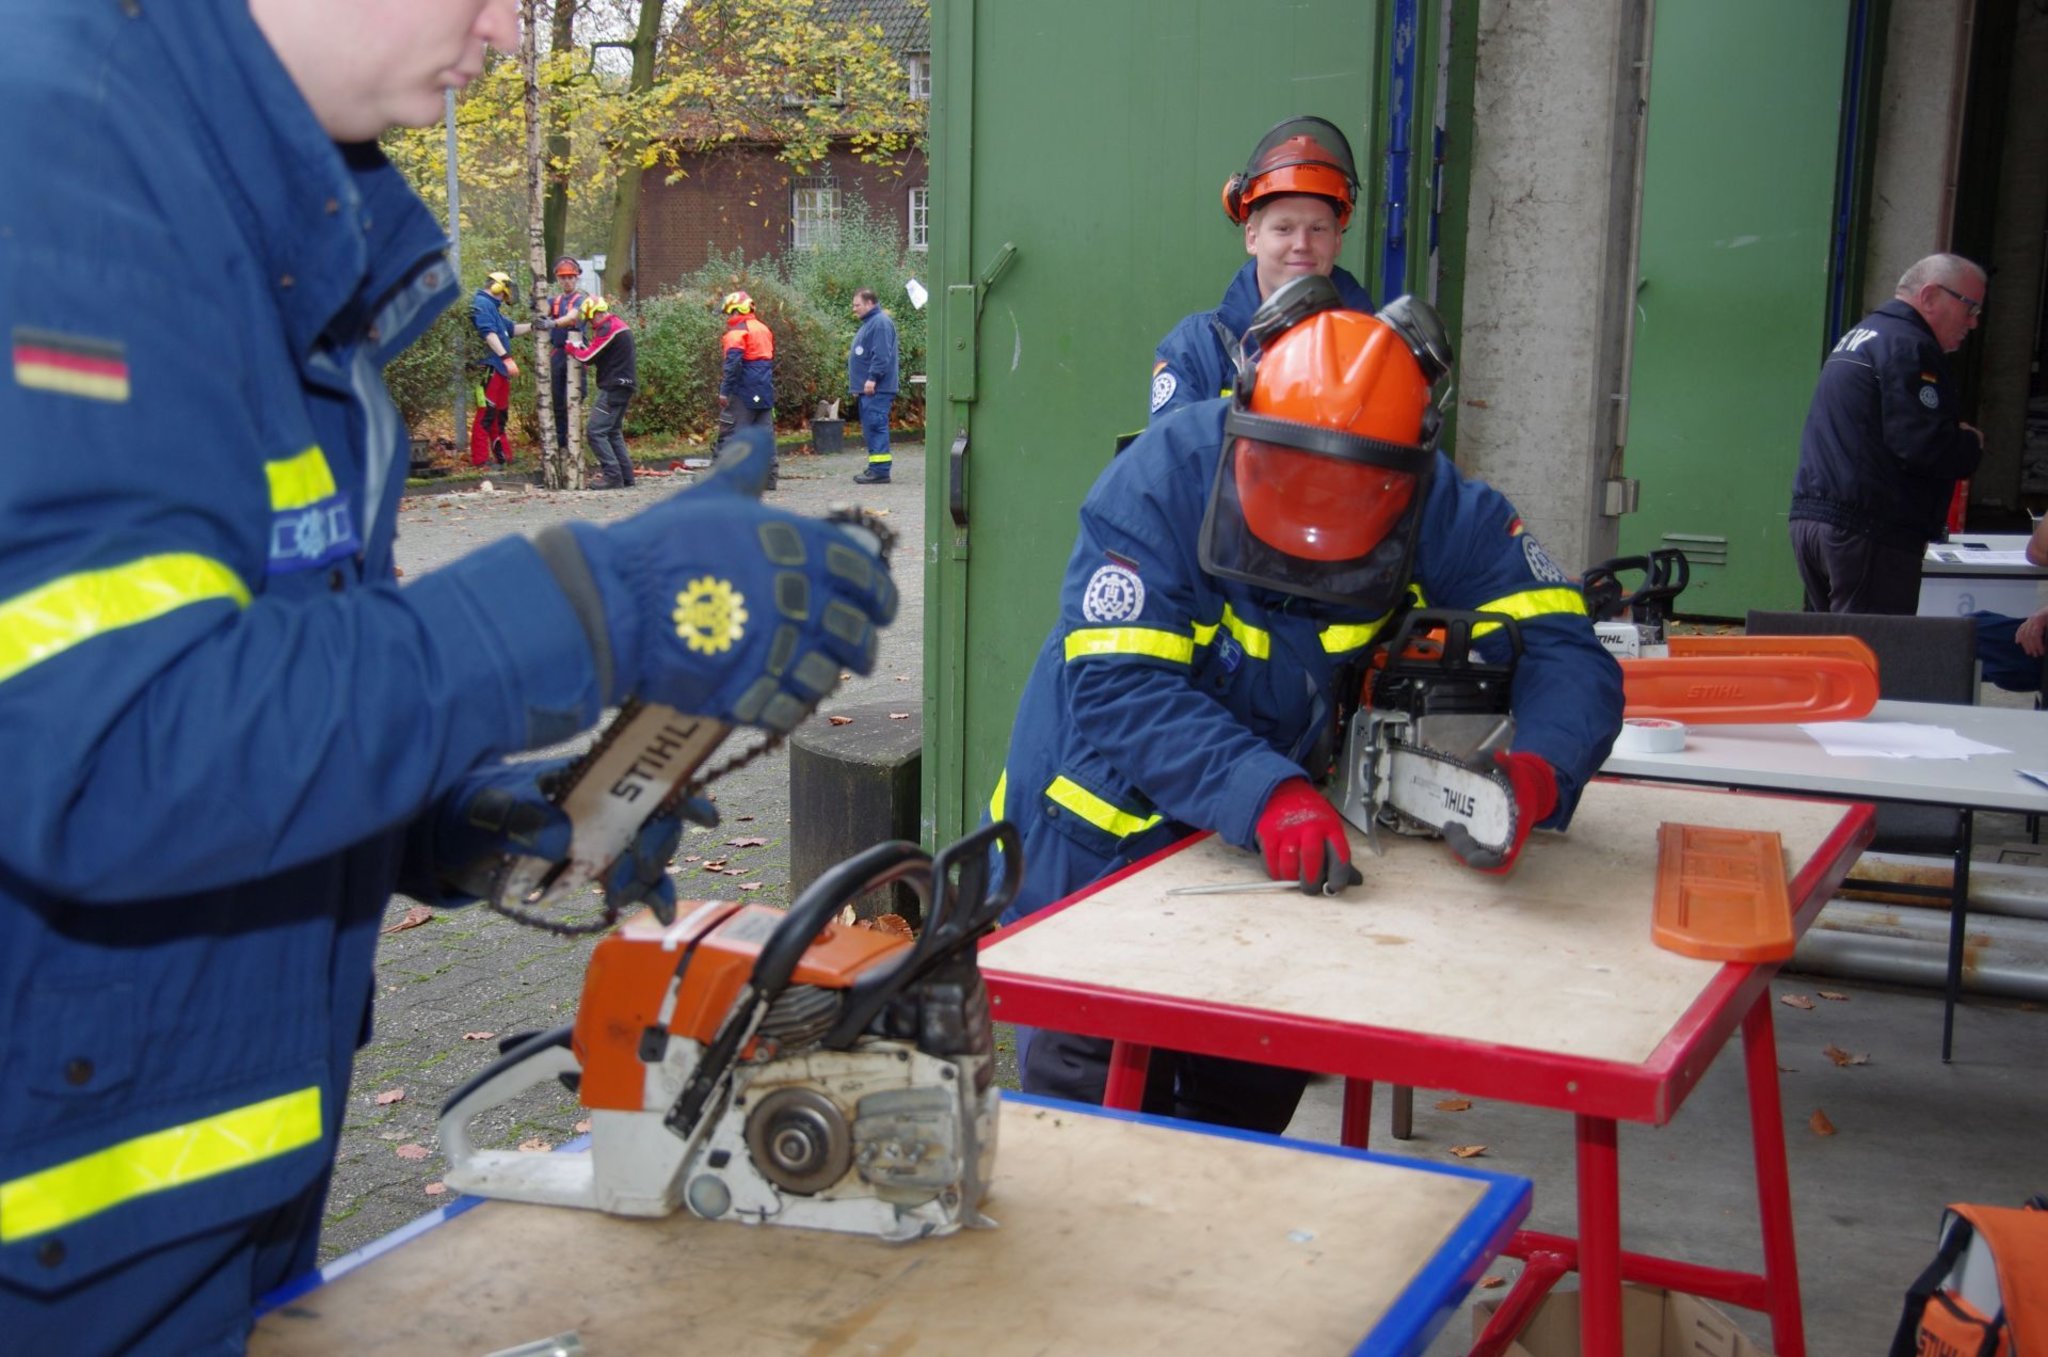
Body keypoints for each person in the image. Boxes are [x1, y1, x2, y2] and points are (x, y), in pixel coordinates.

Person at [0, 3, 901, 1351]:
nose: (508, 30)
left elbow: (232, 668)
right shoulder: (54, 164)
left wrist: (445, 817)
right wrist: (593, 603)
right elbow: (106, 751)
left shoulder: (258, 192)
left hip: (173, 1201)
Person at [989, 276, 1624, 1135]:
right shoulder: (1161, 478)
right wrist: (1266, 791)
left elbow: (1562, 642)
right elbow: (1121, 688)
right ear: (1246, 411)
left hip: (1259, 870)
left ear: (1405, 472)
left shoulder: (1437, 499)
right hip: (1095, 847)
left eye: (1348, 498)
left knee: (1245, 1110)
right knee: (1085, 1132)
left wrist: (1542, 770)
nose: (1314, 513)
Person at [1789, 253, 1989, 614]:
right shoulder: (1910, 346)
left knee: (1841, 656)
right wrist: (1969, 443)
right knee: (1874, 657)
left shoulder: (1862, 336)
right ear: (1930, 296)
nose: (1973, 323)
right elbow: (1922, 444)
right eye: (1970, 308)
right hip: (1868, 528)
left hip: (1818, 519)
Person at [1147, 115, 1376, 424]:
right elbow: (1174, 462)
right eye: (1283, 228)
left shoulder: (1379, 355)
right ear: (1252, 237)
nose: (1302, 244)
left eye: (1318, 229)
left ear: (1337, 239)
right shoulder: (1194, 350)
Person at [566, 295, 637, 489]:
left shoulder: (608, 328)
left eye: (590, 320)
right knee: (612, 431)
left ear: (595, 314)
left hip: (614, 387)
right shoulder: (617, 324)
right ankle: (626, 475)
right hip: (623, 386)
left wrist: (573, 349)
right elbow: (600, 353)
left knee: (595, 431)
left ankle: (613, 476)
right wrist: (582, 348)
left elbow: (588, 356)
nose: (591, 325)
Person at [469, 268, 531, 467]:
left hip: (499, 368)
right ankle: (481, 460)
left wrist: (535, 325)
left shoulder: (492, 308)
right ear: (498, 287)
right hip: (489, 367)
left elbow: (511, 329)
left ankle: (504, 457)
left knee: (500, 414)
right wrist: (505, 358)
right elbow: (488, 333)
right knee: (486, 413)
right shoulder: (481, 304)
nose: (506, 296)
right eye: (505, 292)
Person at [848, 287, 901, 485]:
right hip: (870, 388)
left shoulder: (879, 324)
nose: (854, 309)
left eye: (857, 305)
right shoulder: (872, 323)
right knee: (871, 427)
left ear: (870, 303)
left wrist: (872, 379)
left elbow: (881, 355)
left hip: (876, 388)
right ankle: (875, 468)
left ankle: (880, 470)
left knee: (876, 426)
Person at [543, 255, 590, 457]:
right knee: (558, 400)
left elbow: (572, 317)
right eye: (563, 278)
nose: (567, 281)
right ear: (558, 280)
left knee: (574, 399)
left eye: (571, 277)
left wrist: (552, 323)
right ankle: (562, 444)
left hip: (576, 355)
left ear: (577, 277)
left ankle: (575, 444)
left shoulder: (582, 299)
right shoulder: (555, 301)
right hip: (558, 354)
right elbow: (541, 310)